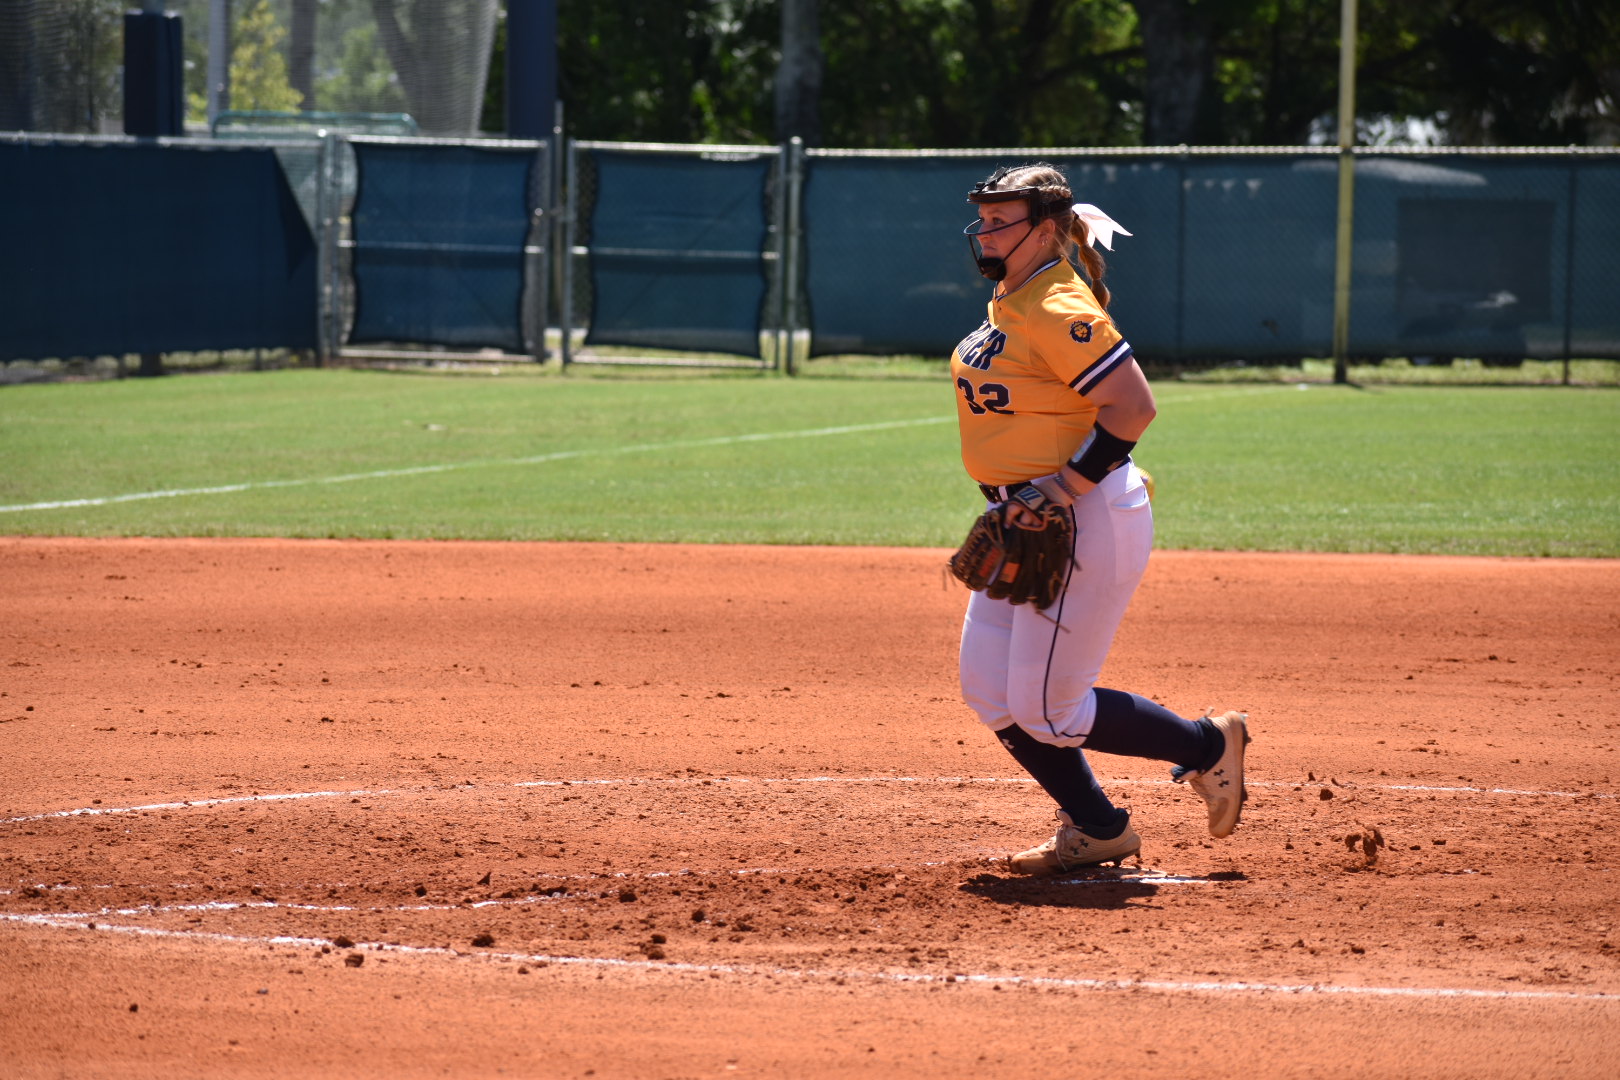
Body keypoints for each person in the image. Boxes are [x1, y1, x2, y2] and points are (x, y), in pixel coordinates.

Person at [952, 162, 1250, 875]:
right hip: (1028, 516)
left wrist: (1060, 487)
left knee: (1050, 709)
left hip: (1079, 516)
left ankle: (1208, 745)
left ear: (1045, 230)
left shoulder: (1057, 305)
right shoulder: (1016, 298)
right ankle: (1099, 827)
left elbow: (1134, 405)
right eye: (984, 220)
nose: (985, 232)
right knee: (989, 689)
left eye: (1002, 221)